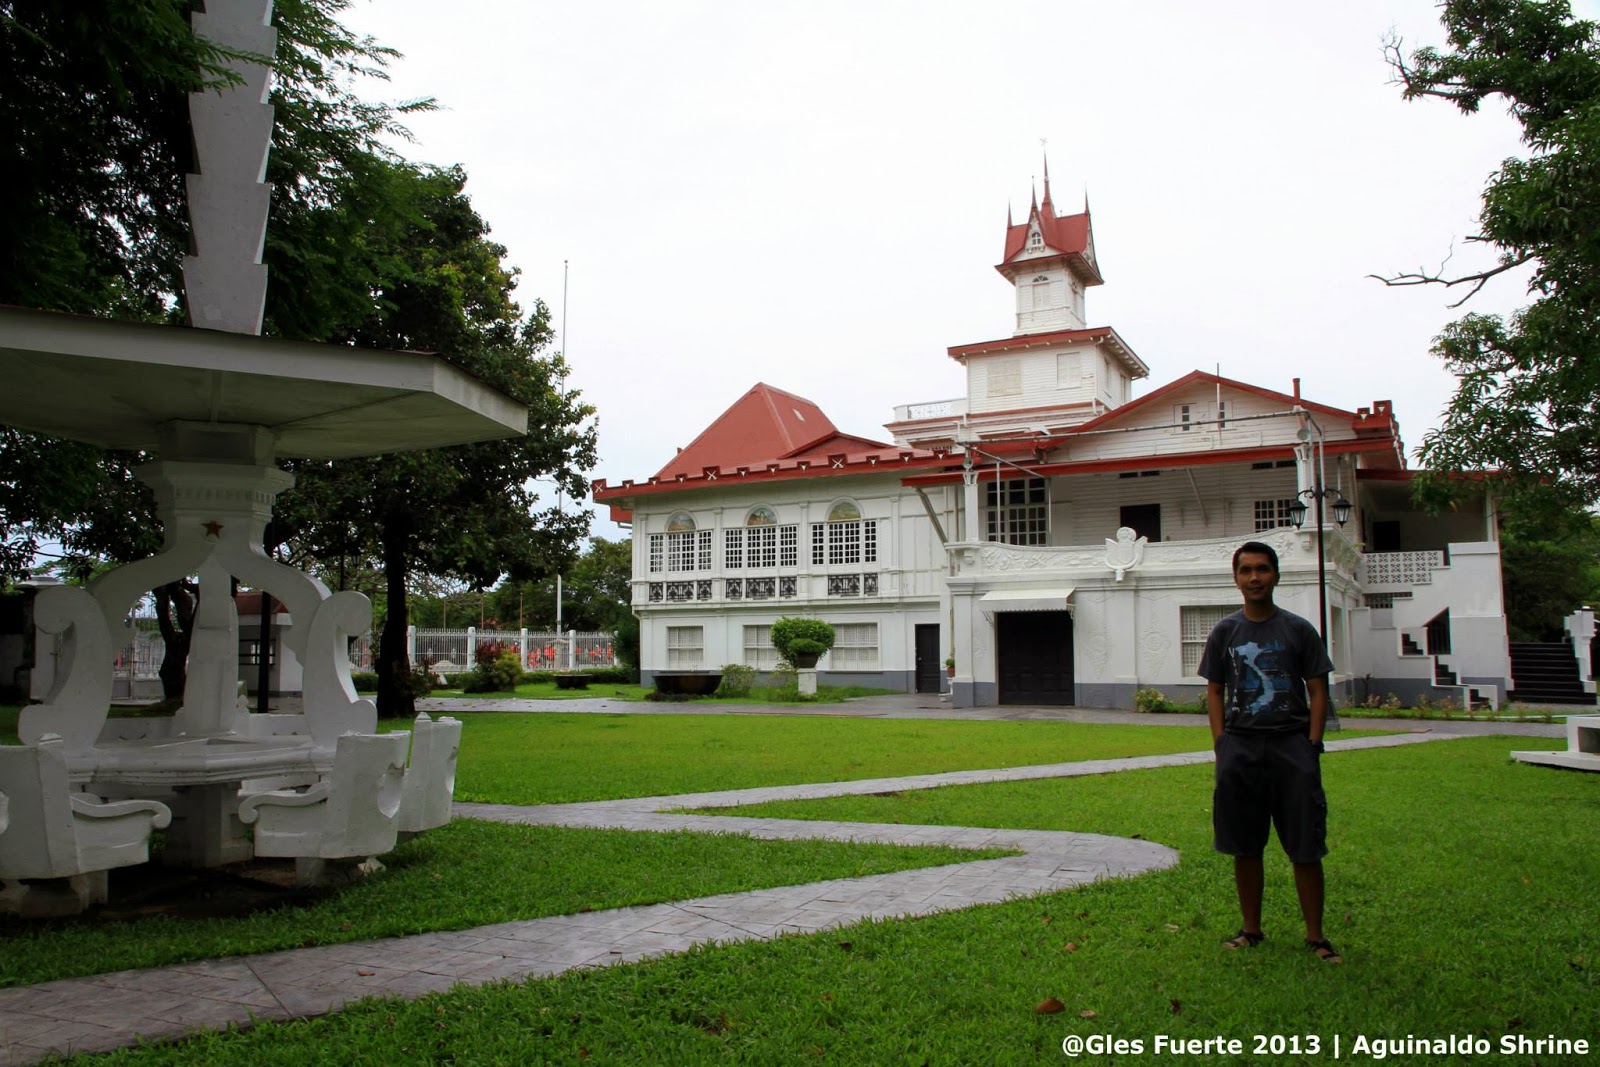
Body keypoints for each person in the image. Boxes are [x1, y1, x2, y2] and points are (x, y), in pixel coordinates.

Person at [1199, 540, 1341, 963]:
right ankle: (1251, 929)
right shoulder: (1225, 632)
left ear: (1275, 575)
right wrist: (1222, 743)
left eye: (1262, 569)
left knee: (1305, 844)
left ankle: (1315, 936)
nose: (1254, 577)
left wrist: (1312, 743)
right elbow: (1215, 690)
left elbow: (1317, 689)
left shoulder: (1298, 630)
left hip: (1291, 746)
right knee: (1245, 844)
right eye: (1246, 570)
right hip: (1240, 747)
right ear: (1236, 578)